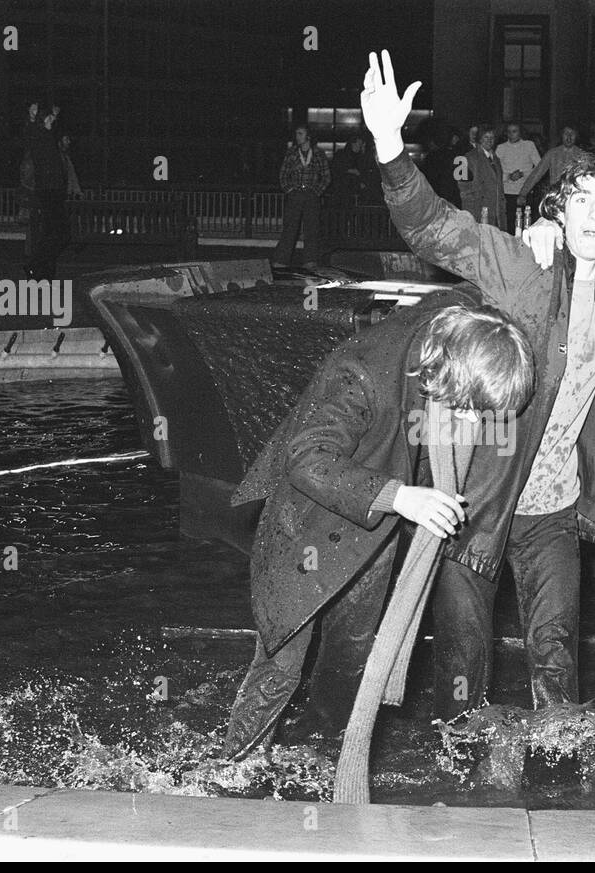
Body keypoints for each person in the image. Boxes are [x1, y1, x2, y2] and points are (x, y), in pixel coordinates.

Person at [363, 49, 595, 718]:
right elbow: (434, 229)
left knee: (556, 651)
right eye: (582, 200)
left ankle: (561, 787)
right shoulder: (521, 265)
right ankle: (463, 791)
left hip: (555, 510)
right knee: (463, 660)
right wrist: (391, 146)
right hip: (474, 502)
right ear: (559, 214)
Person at [221, 302, 536, 756]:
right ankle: (233, 769)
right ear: (444, 369)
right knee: (280, 664)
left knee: (350, 656)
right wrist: (402, 497)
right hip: (307, 522)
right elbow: (307, 458)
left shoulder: (452, 337)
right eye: (467, 408)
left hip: (371, 527)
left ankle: (319, 753)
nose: (470, 424)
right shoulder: (361, 374)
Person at [20, 102, 68, 280]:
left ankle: (43, 271)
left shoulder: (47, 135)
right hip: (48, 190)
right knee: (58, 233)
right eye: (50, 118)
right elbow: (29, 132)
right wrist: (32, 117)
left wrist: (52, 114)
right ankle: (35, 266)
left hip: (53, 189)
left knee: (52, 233)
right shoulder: (39, 135)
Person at [271, 125, 330, 268]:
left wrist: (316, 192)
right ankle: (281, 261)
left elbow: (327, 177)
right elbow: (283, 175)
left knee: (312, 229)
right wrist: (290, 190)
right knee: (290, 228)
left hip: (311, 195)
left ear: (308, 136)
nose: (297, 136)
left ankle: (310, 261)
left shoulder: (318, 154)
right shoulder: (291, 153)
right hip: (295, 194)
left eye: (300, 134)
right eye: (297, 133)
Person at [518, 124, 586, 211]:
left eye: (572, 134)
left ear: (576, 136)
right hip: (555, 198)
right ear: (561, 135)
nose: (569, 137)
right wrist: (523, 193)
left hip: (574, 198)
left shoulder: (582, 156)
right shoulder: (552, 153)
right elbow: (537, 174)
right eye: (566, 133)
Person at [458, 126, 505, 230]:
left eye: (492, 137)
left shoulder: (495, 158)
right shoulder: (469, 157)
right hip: (478, 209)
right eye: (486, 137)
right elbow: (463, 188)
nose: (489, 140)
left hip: (495, 210)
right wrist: (469, 213)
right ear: (479, 139)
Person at [496, 122, 539, 234]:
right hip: (507, 192)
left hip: (525, 192)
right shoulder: (501, 148)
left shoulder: (529, 145)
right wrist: (509, 176)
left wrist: (523, 174)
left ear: (520, 132)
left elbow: (539, 167)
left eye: (514, 131)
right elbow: (495, 170)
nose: (511, 134)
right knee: (510, 225)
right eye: (509, 132)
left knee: (525, 225)